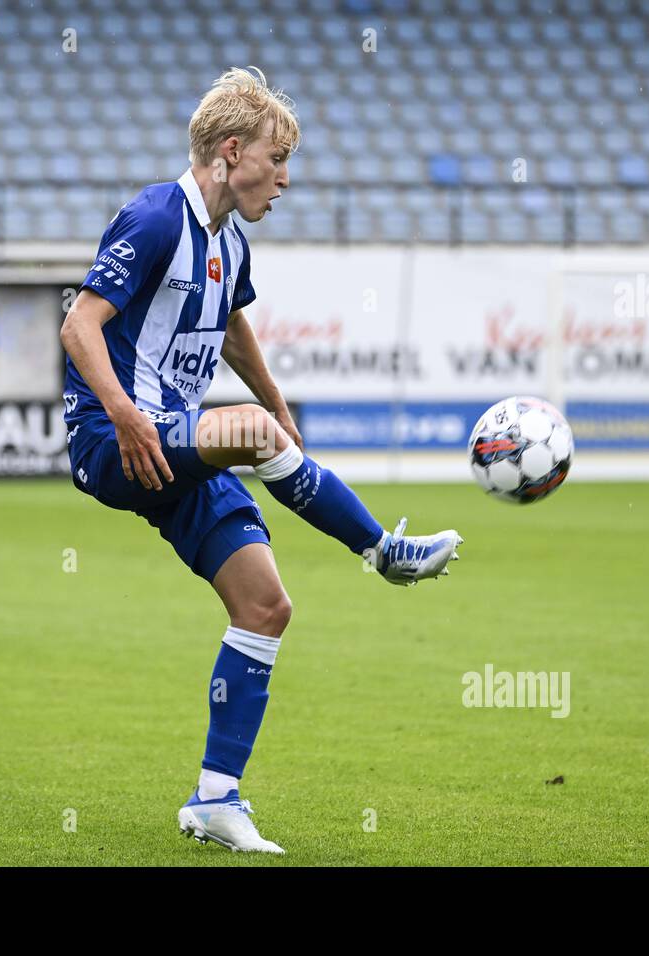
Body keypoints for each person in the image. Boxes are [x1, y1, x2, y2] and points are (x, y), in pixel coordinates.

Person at [59, 67, 463, 854]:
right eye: (277, 161)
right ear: (231, 151)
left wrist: (277, 402)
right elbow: (80, 325)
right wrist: (124, 414)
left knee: (266, 607)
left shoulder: (228, 240)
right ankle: (384, 550)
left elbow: (234, 323)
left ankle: (216, 799)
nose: (285, 180)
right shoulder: (154, 216)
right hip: (115, 440)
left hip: (181, 452)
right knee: (243, 431)